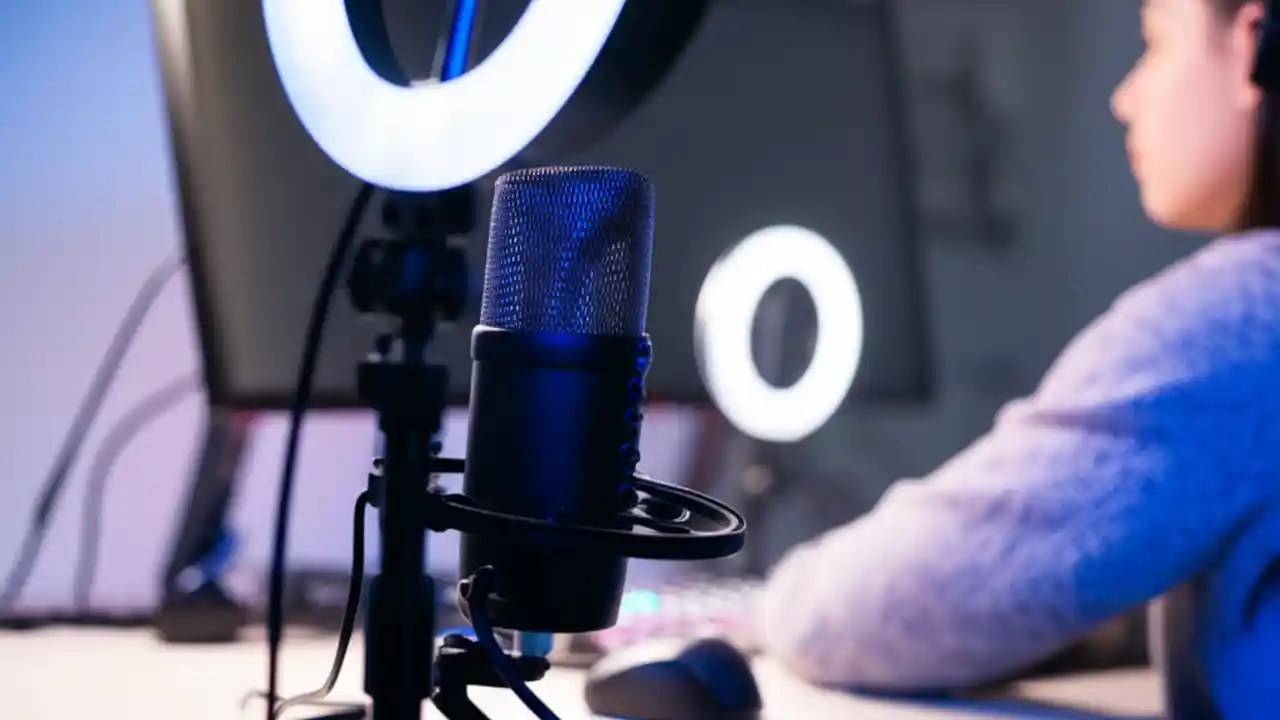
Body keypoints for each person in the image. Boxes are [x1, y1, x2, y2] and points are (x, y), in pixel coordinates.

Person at [758, 0, 1280, 716]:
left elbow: (862, 613)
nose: (1125, 97)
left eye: (1156, 45)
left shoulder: (1246, 315)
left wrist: (762, 605)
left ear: (1254, 43)